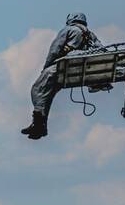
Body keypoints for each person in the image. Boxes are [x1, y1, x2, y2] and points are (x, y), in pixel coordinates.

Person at [21, 12, 106, 140]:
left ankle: (39, 124)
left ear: (71, 19)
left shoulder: (68, 30)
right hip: (80, 70)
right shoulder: (91, 35)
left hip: (64, 68)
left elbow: (55, 50)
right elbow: (102, 50)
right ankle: (40, 126)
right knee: (49, 94)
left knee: (37, 89)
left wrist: (46, 66)